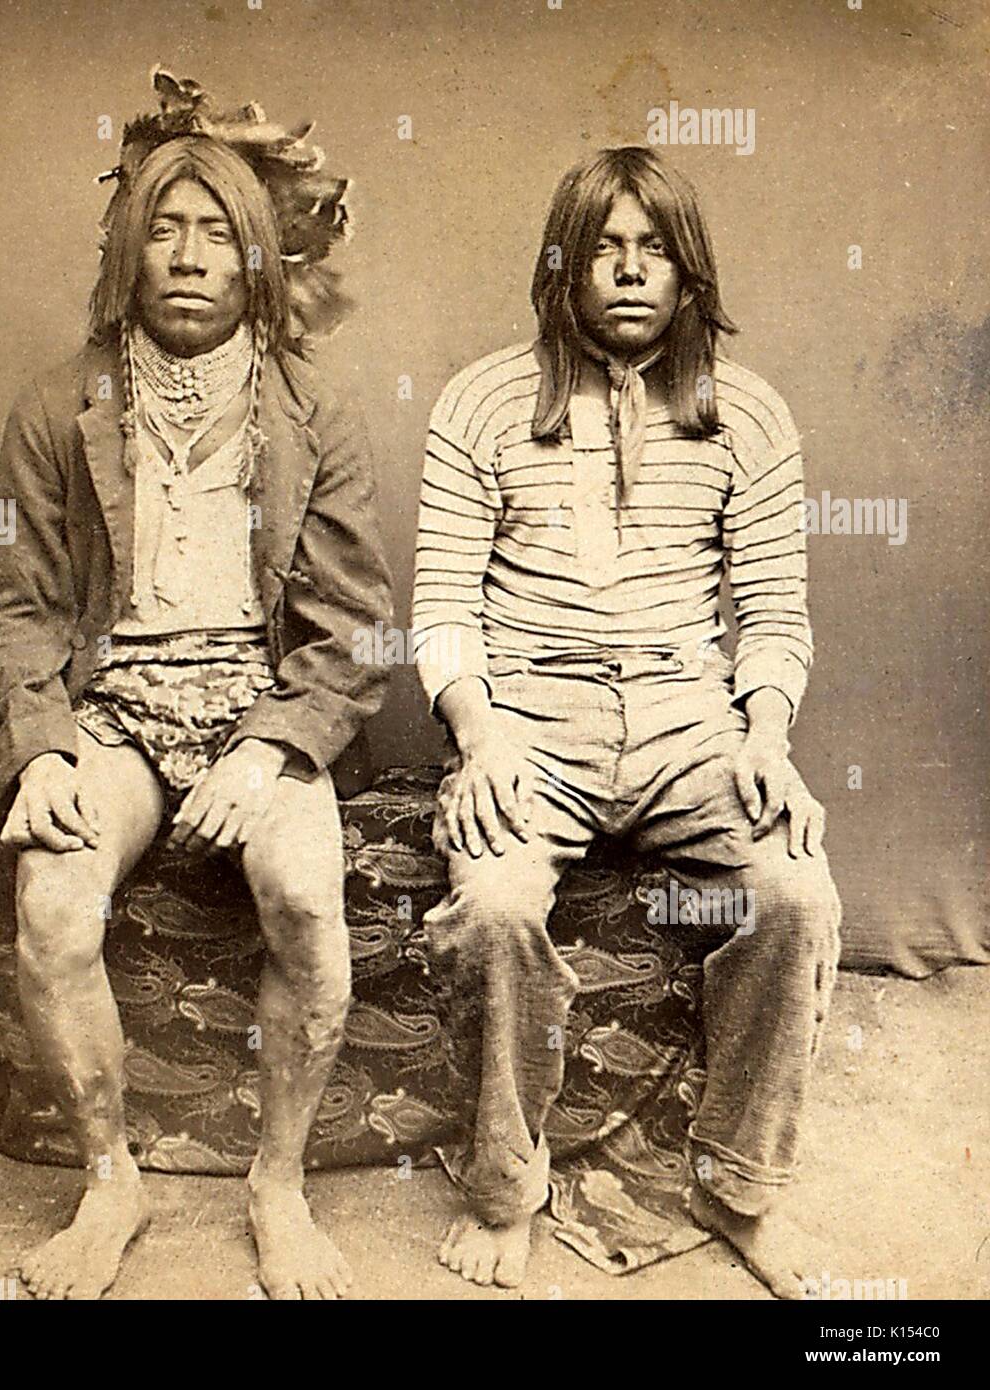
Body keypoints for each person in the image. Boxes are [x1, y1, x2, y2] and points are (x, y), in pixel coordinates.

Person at [0, 68, 391, 1300]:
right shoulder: (63, 402)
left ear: (258, 255)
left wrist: (271, 750)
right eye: (164, 227)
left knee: (305, 894)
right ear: (128, 248)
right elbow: (26, 609)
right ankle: (111, 1182)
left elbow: (352, 628)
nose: (190, 255)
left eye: (218, 231)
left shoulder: (313, 407)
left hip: (258, 710)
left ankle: (277, 1181)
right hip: (115, 705)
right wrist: (44, 747)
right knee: (53, 902)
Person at [411, 146, 841, 1297]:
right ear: (565, 263)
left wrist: (765, 738)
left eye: (654, 248)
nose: (631, 270)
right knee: (495, 905)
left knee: (795, 893)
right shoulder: (481, 401)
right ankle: (506, 1186)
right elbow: (443, 610)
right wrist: (481, 736)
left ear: (689, 268)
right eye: (605, 246)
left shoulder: (746, 412)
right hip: (529, 719)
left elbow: (774, 616)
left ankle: (741, 1183)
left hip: (690, 723)